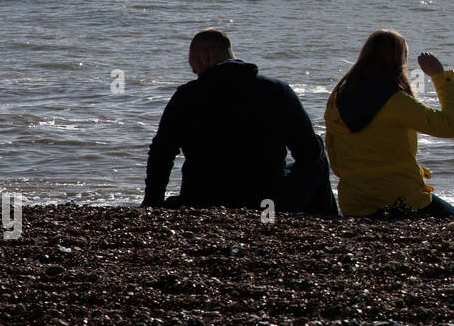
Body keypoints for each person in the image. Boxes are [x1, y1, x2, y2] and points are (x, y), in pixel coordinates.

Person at [143, 28, 338, 215]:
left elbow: (162, 152)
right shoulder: (278, 91)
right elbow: (308, 152)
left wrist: (152, 201)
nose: (194, 72)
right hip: (267, 201)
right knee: (318, 154)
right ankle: (326, 221)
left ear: (205, 57)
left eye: (193, 66)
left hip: (202, 198)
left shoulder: (187, 95)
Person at [323, 30, 454, 219]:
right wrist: (440, 77)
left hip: (354, 202)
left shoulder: (337, 99)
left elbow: (333, 154)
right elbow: (452, 126)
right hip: (403, 199)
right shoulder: (395, 101)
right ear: (400, 61)